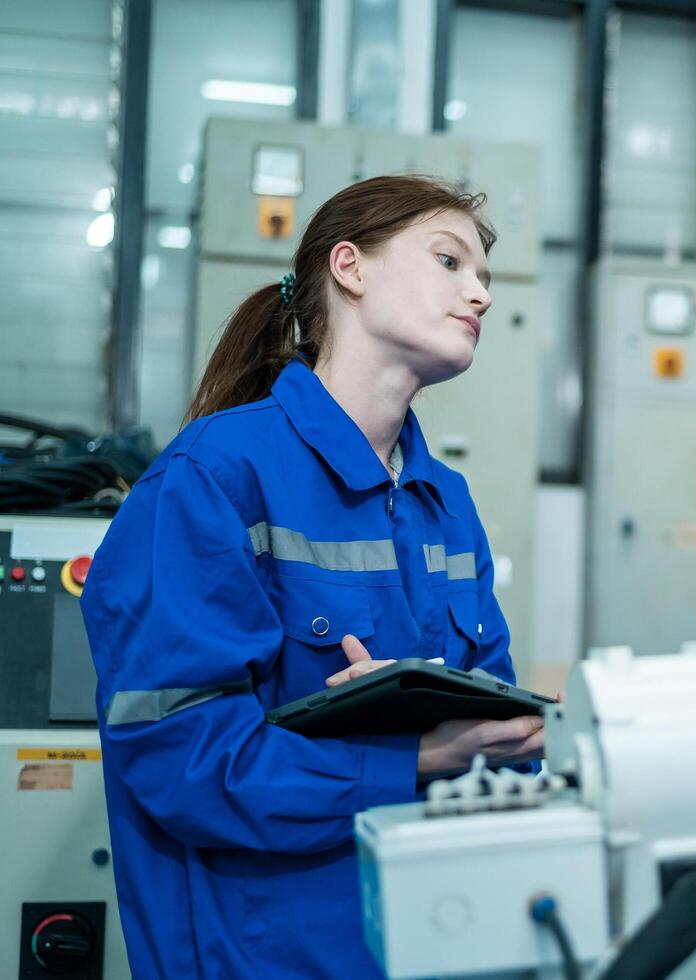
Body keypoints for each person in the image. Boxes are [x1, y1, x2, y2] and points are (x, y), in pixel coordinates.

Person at [81, 175, 544, 978]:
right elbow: (178, 758)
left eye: (486, 278)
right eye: (449, 261)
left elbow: (499, 726)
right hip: (264, 954)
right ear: (350, 268)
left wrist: (496, 734)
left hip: (422, 943)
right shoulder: (215, 477)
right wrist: (411, 755)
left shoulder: (445, 500)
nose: (479, 295)